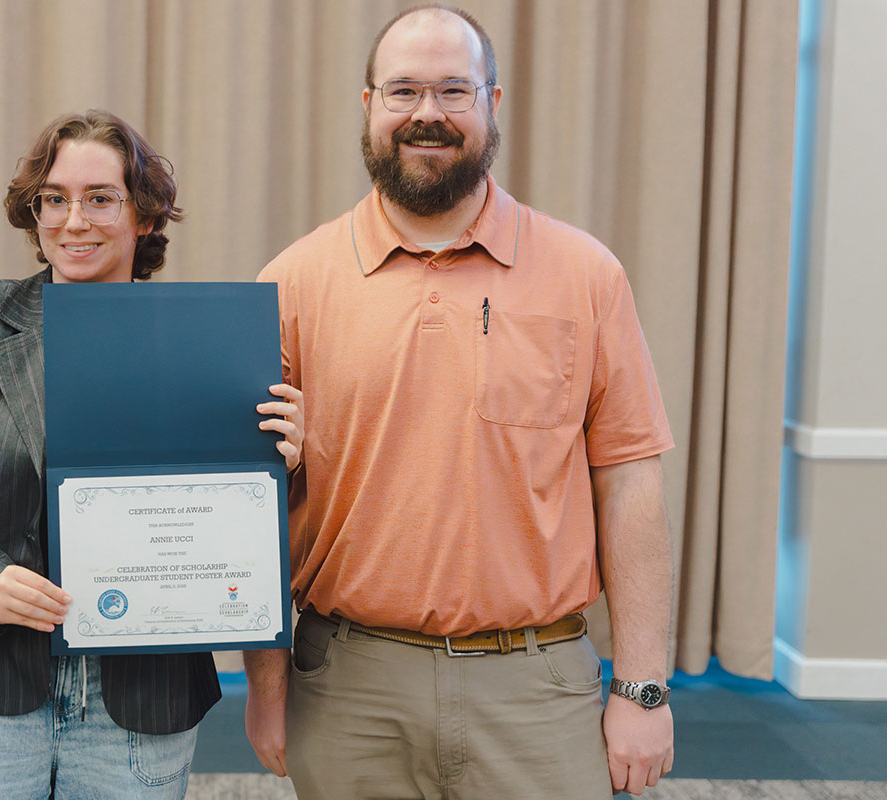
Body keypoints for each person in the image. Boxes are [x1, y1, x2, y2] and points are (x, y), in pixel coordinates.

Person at [244, 5, 674, 798]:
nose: (427, 115)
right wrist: (268, 689)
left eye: (453, 90)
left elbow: (630, 487)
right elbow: (255, 501)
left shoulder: (586, 275)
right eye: (403, 90)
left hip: (538, 690)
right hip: (349, 688)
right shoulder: (291, 284)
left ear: (492, 104)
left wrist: (643, 689)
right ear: (369, 103)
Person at [0, 109, 303, 799]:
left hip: (139, 705)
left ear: (145, 217)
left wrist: (282, 469)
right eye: (53, 199)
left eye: (100, 198)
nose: (72, 220)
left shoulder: (207, 348)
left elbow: (238, 532)